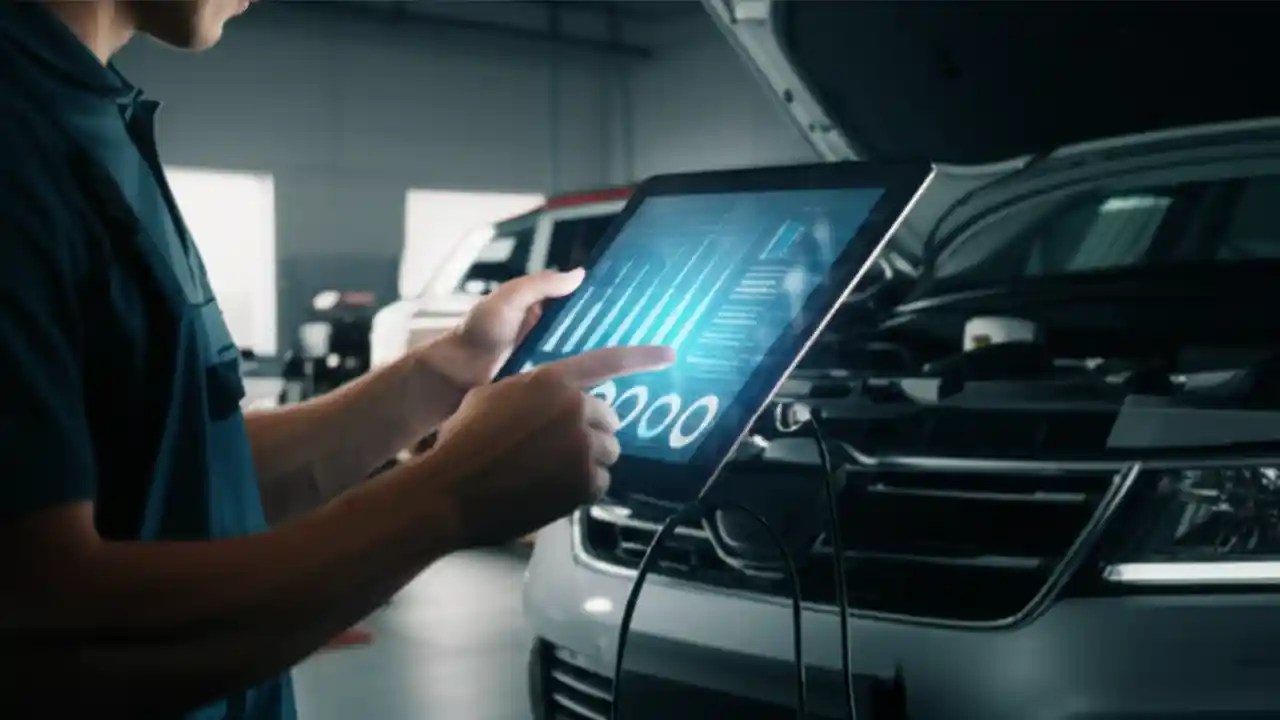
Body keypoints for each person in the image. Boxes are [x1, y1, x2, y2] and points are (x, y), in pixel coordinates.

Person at [0, 1, 673, 717]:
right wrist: (447, 496)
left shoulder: (88, 112)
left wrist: (440, 373)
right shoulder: (18, 136)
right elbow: (46, 630)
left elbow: (182, 473)